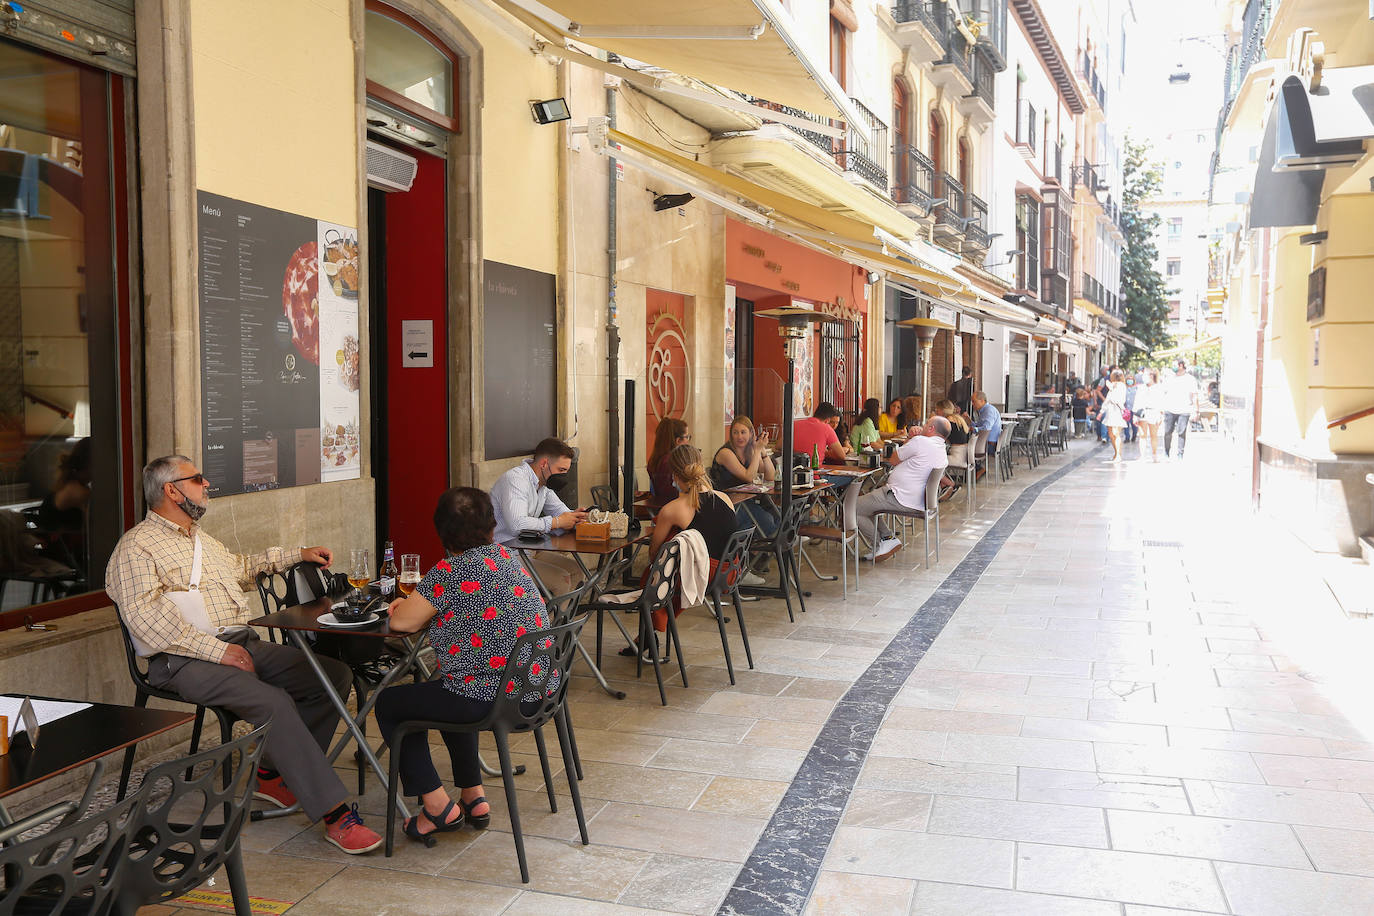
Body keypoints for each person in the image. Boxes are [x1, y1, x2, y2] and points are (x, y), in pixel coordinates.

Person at [105, 456, 383, 854]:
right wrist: (219, 652)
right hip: (183, 660)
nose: (207, 485)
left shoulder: (201, 539)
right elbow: (149, 623)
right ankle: (335, 813)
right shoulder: (136, 548)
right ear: (171, 490)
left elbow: (241, 566)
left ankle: (272, 774)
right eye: (197, 479)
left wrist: (297, 554)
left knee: (330, 676)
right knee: (273, 701)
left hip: (238, 643)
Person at [379, 487, 553, 842]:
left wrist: (405, 606)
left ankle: (437, 806)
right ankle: (474, 798)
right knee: (452, 685)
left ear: (441, 531)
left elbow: (401, 625)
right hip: (536, 693)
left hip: (493, 701)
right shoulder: (507, 558)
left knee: (390, 703)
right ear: (491, 527)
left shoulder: (449, 572)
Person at [620, 444, 740, 656]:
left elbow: (655, 555)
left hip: (705, 575)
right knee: (676, 561)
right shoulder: (724, 498)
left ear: (674, 475)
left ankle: (649, 631)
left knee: (654, 575)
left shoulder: (673, 508)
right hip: (730, 572)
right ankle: (647, 634)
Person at [490, 437, 587, 593]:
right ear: (544, 464)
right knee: (562, 579)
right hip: (504, 555)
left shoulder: (543, 485)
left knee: (576, 571)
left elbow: (562, 513)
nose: (563, 476)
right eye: (561, 470)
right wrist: (557, 522)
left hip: (528, 549)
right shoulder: (515, 480)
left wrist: (578, 517)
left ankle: (558, 617)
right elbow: (517, 525)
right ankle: (546, 617)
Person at [857, 415, 950, 561]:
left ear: (931, 428)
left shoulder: (920, 441)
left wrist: (912, 437)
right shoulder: (941, 449)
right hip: (918, 501)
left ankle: (880, 544)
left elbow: (894, 459)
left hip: (899, 496)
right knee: (868, 505)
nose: (923, 426)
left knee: (852, 508)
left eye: (926, 424)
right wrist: (912, 438)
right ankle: (887, 537)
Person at [709, 415, 778, 541]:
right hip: (728, 505)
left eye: (743, 432)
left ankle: (757, 550)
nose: (739, 437)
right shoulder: (726, 453)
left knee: (779, 515)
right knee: (767, 520)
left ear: (751, 433)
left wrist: (762, 451)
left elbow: (770, 476)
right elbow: (749, 477)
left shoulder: (750, 450)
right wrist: (757, 451)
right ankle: (755, 551)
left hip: (746, 500)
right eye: (735, 433)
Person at [1161, 359, 1199, 459]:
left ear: (1181, 365)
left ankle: (1180, 453)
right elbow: (1163, 393)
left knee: (1182, 432)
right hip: (1169, 409)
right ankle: (1166, 451)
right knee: (1167, 432)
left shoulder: (1190, 379)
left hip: (1184, 409)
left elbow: (1195, 395)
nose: (1172, 367)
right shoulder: (1169, 378)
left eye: (1174, 365)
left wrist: (1196, 410)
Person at [647, 419, 690, 501]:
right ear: (678, 440)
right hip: (672, 505)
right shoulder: (669, 462)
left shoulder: (659, 458)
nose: (688, 441)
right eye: (687, 437)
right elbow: (669, 493)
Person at [935, 400, 970, 502]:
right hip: (963, 455)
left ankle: (951, 484)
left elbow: (939, 438)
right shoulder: (958, 419)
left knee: (931, 463)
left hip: (957, 457)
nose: (936, 411)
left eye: (937, 409)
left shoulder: (947, 422)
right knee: (936, 461)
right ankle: (944, 486)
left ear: (942, 410)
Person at [1133, 368, 1164, 461]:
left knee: (1153, 435)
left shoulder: (1158, 388)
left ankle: (1154, 454)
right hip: (1142, 412)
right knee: (1142, 435)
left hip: (1154, 412)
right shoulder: (1141, 388)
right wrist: (1135, 415)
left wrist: (1160, 414)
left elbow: (1161, 402)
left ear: (1151, 376)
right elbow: (1137, 401)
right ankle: (1143, 456)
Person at [970, 391, 1002, 478]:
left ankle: (978, 469)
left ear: (982, 401)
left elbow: (986, 428)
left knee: (966, 448)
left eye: (974, 401)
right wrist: (968, 420)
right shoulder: (985, 410)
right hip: (987, 443)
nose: (972, 404)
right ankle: (973, 471)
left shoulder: (989, 411)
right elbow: (979, 425)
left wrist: (974, 429)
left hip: (990, 446)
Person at [1100, 369, 1128, 462]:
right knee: (1111, 434)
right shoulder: (1112, 386)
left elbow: (1118, 400)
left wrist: (1112, 389)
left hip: (1118, 411)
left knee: (1116, 433)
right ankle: (1116, 453)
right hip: (1110, 412)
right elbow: (1107, 399)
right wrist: (1101, 411)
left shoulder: (1121, 386)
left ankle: (1118, 455)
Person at [1122, 376, 1139, 444]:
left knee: (1133, 424)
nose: (1129, 380)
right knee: (1126, 424)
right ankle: (1127, 437)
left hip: (1133, 409)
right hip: (1126, 409)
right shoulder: (1124, 388)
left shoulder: (1136, 388)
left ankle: (1134, 435)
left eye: (1131, 379)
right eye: (1128, 379)